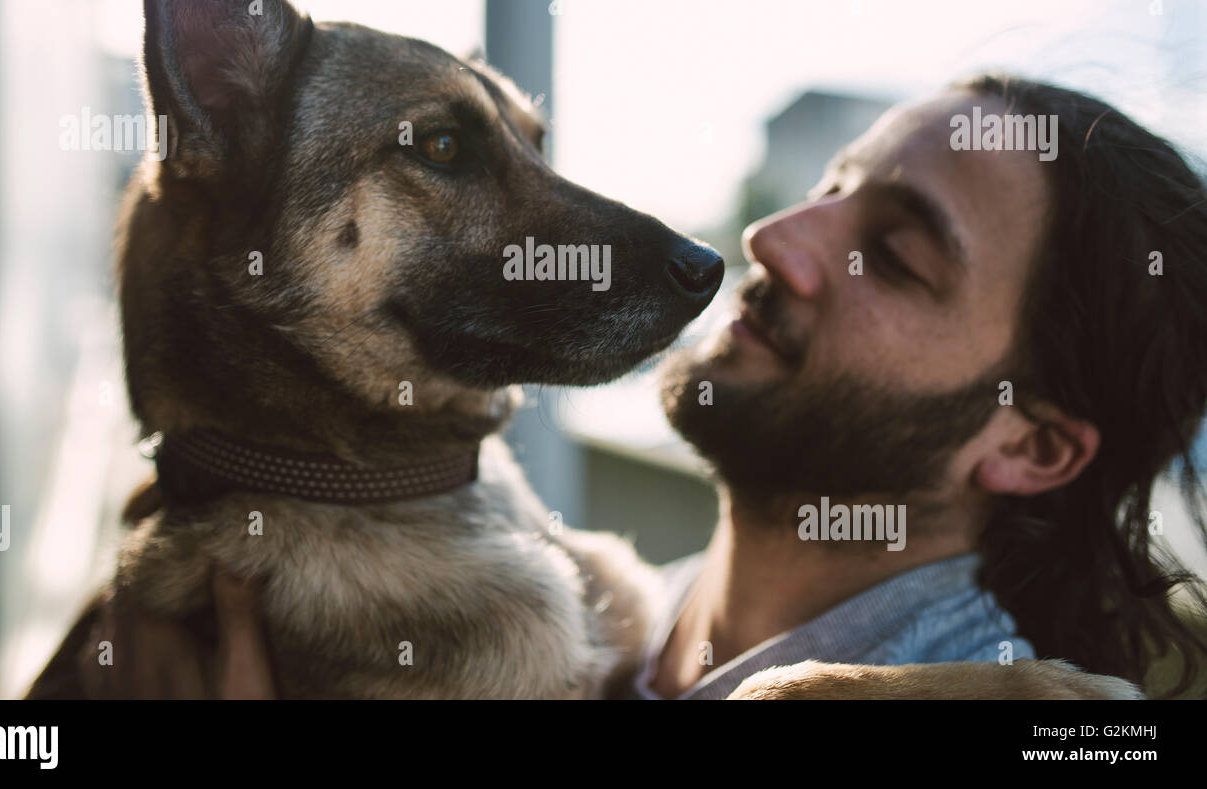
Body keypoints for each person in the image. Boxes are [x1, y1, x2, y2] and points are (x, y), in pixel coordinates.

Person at [89, 74, 1207, 699]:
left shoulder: (996, 702)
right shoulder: (635, 621)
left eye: (897, 255)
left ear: (1033, 448)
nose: (775, 238)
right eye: (829, 185)